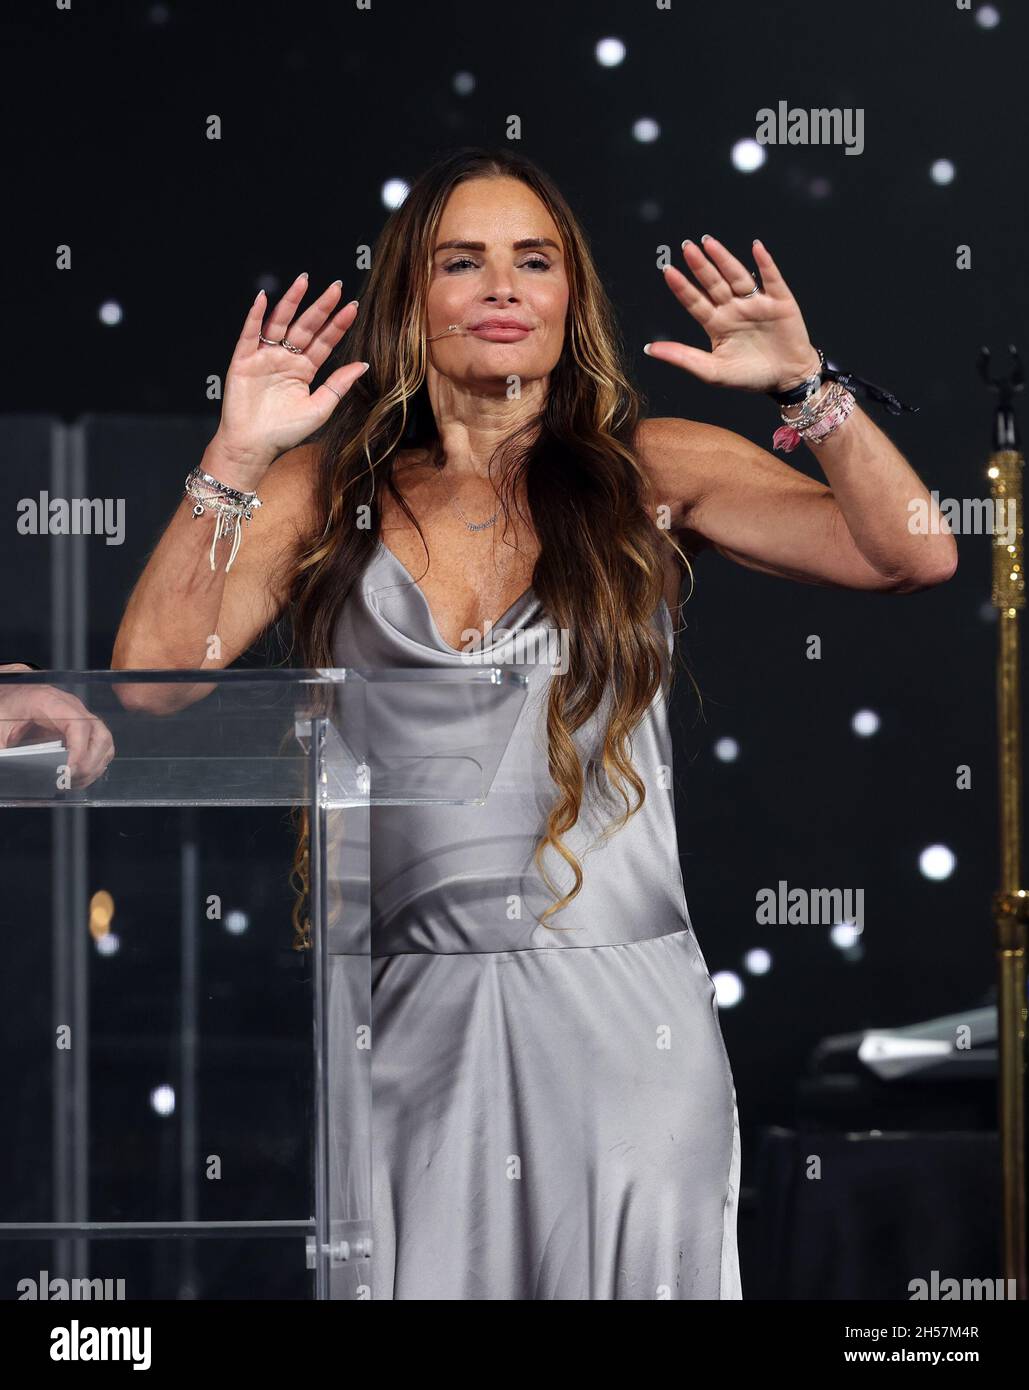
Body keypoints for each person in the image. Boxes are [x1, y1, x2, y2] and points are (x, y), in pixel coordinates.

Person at [111, 148, 956, 1299]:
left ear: (570, 298)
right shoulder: (323, 489)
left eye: (534, 261)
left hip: (623, 1022)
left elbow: (913, 549)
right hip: (408, 1015)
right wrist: (234, 456)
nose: (503, 288)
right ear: (414, 299)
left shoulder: (647, 470)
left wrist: (807, 388)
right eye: (464, 262)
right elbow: (156, 679)